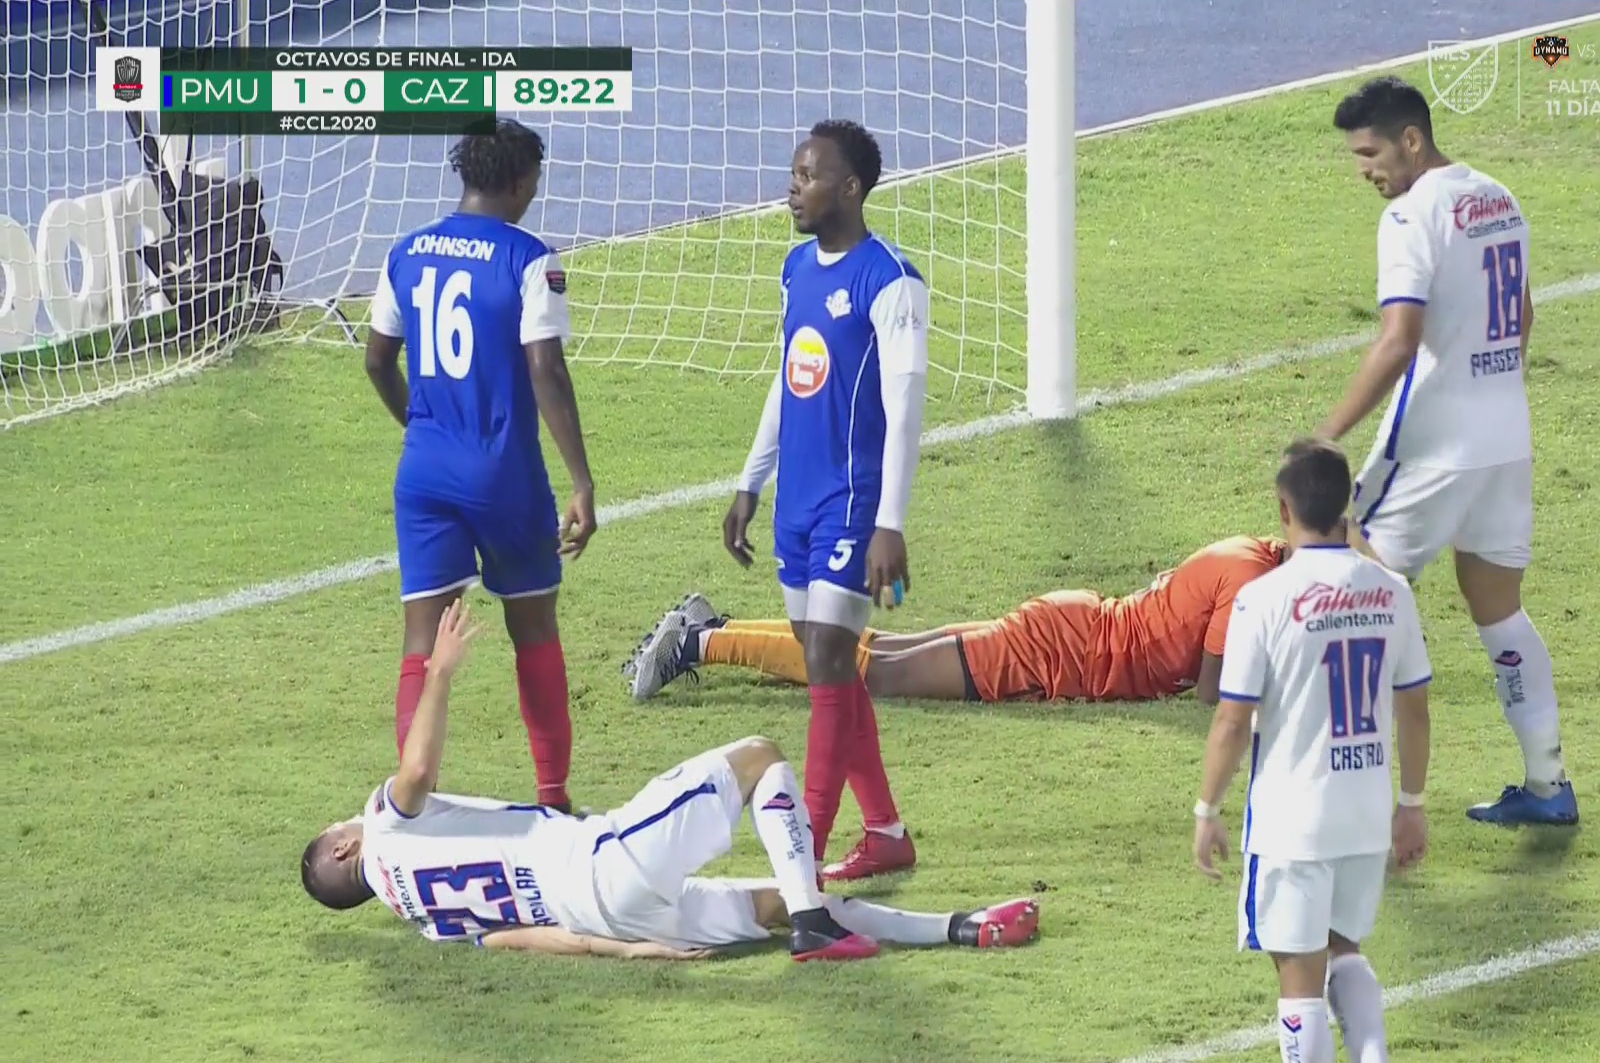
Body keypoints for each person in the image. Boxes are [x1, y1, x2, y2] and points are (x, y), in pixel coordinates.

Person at [299, 600, 1040, 963]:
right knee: (757, 756)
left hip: (613, 920)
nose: (351, 821)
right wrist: (442, 672)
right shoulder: (386, 828)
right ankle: (819, 927)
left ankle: (962, 928)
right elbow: (417, 770)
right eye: (343, 828)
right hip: (604, 859)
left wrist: (626, 953)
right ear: (342, 853)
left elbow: (523, 939)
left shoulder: (424, 917)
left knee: (779, 903)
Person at [1316, 76, 1573, 827]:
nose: (1364, 169)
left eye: (1369, 153)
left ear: (1411, 141)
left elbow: (1398, 343)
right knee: (1499, 611)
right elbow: (1521, 314)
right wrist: (1488, 385)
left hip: (1436, 443)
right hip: (1505, 437)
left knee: (1348, 594)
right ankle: (1549, 785)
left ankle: (1356, 804)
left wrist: (1327, 435)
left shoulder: (1409, 215)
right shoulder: (1498, 195)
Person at [717, 119, 930, 882]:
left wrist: (889, 524)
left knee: (832, 658)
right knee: (824, 666)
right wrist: (751, 479)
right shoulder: (795, 270)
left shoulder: (890, 281)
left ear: (851, 188)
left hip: (853, 502)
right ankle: (887, 833)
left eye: (809, 176)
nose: (792, 188)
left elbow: (906, 404)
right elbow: (788, 376)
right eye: (792, 173)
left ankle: (801, 851)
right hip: (798, 499)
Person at [362, 120, 596, 813]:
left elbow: (377, 361)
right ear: (522, 182)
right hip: (503, 474)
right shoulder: (529, 258)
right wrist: (581, 481)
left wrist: (424, 425)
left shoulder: (406, 252)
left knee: (419, 642)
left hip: (424, 473)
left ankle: (412, 806)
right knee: (533, 632)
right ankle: (552, 799)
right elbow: (545, 368)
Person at [1191, 438, 1432, 1063]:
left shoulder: (1263, 600)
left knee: (1298, 974)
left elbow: (1231, 719)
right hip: (1365, 811)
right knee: (1343, 948)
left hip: (1293, 821)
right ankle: (1373, 1059)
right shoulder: (1392, 591)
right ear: (1348, 504)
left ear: (1283, 509)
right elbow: (1414, 706)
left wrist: (1205, 807)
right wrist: (1412, 803)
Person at [626, 536, 1291, 706]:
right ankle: (700, 644)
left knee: (877, 647)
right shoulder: (1255, 580)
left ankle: (712, 625)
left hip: (1072, 627)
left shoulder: (1248, 553)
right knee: (877, 676)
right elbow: (1212, 691)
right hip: (1065, 652)